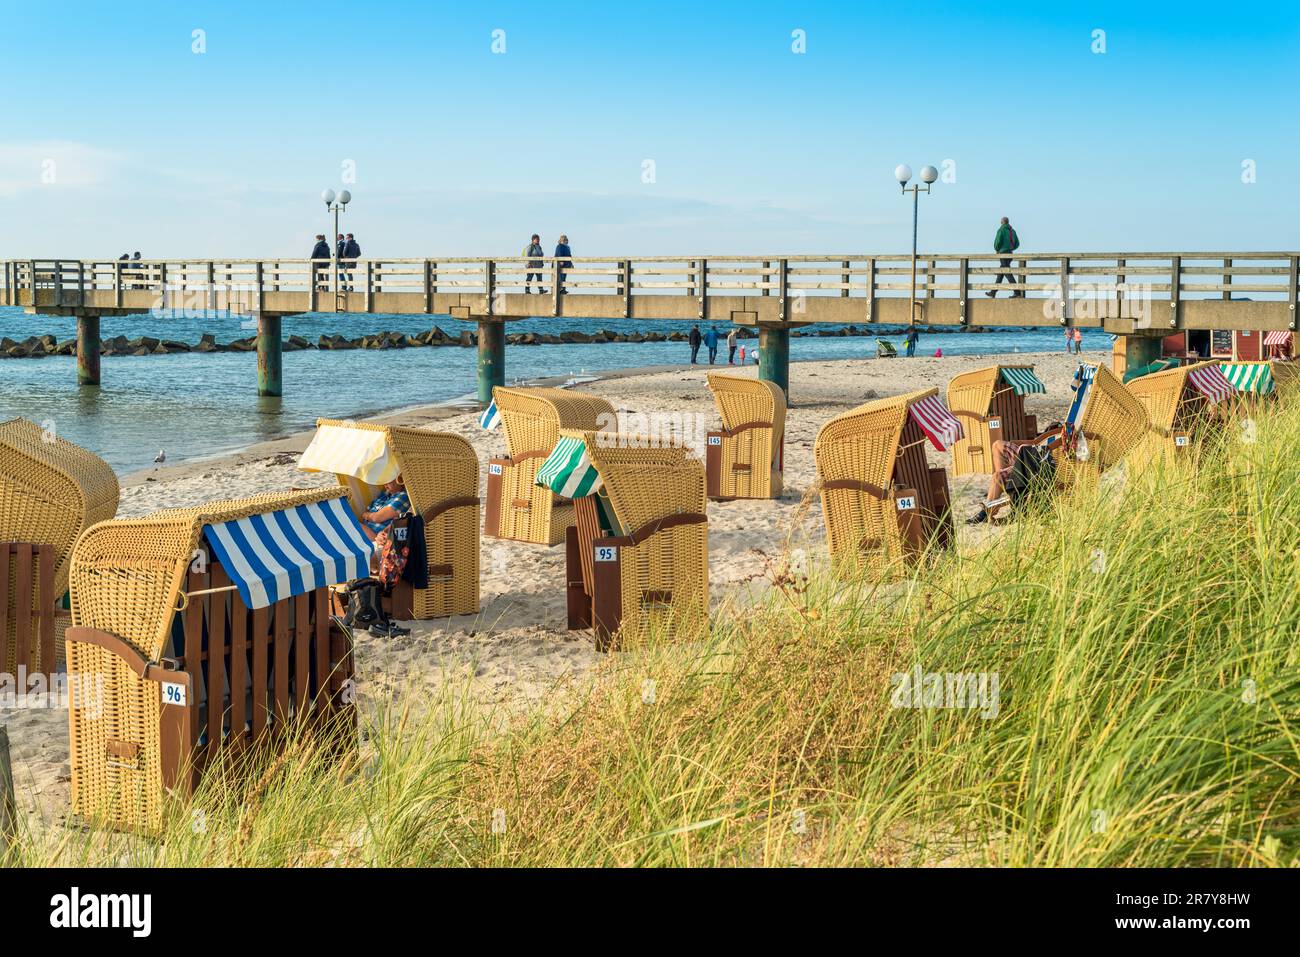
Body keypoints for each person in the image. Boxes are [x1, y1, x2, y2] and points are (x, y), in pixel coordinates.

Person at [967, 421, 1064, 524]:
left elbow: (1044, 445)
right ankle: (1002, 485)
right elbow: (1037, 443)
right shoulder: (1063, 430)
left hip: (1034, 465)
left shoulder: (1065, 435)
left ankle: (986, 510)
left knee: (998, 475)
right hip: (1030, 459)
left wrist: (1036, 445)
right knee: (996, 446)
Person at [359, 476, 410, 542]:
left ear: (399, 479)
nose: (385, 484)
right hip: (368, 531)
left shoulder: (403, 496)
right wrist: (369, 515)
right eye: (384, 481)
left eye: (388, 480)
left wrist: (366, 515)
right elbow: (369, 510)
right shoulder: (384, 495)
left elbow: (377, 517)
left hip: (378, 536)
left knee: (348, 521)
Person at [987, 217, 1022, 298]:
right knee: (1001, 272)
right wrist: (1011, 248)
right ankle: (993, 292)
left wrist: (997, 249)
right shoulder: (1012, 231)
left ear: (1002, 222)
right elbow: (1017, 243)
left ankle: (1017, 292)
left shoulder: (1001, 230)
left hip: (1003, 253)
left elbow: (998, 241)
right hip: (1010, 254)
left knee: (1007, 272)